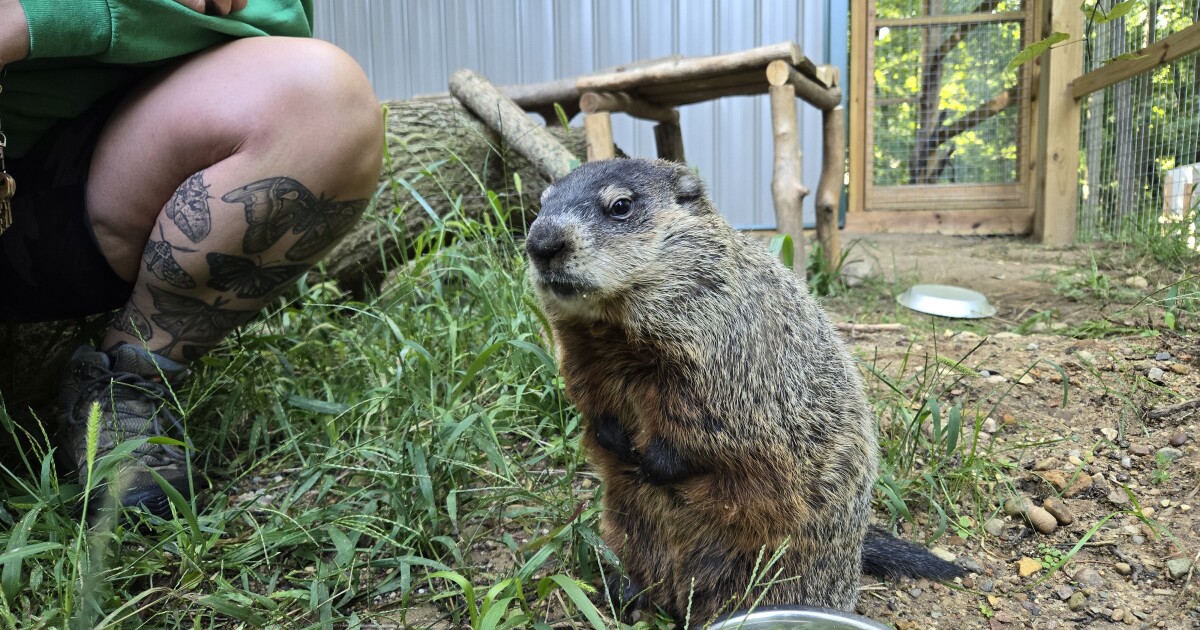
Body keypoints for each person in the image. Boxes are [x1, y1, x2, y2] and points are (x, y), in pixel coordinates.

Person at [0, 0, 384, 516]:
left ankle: (128, 378)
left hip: (77, 184)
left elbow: (272, 17)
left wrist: (42, 16)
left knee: (323, 102)